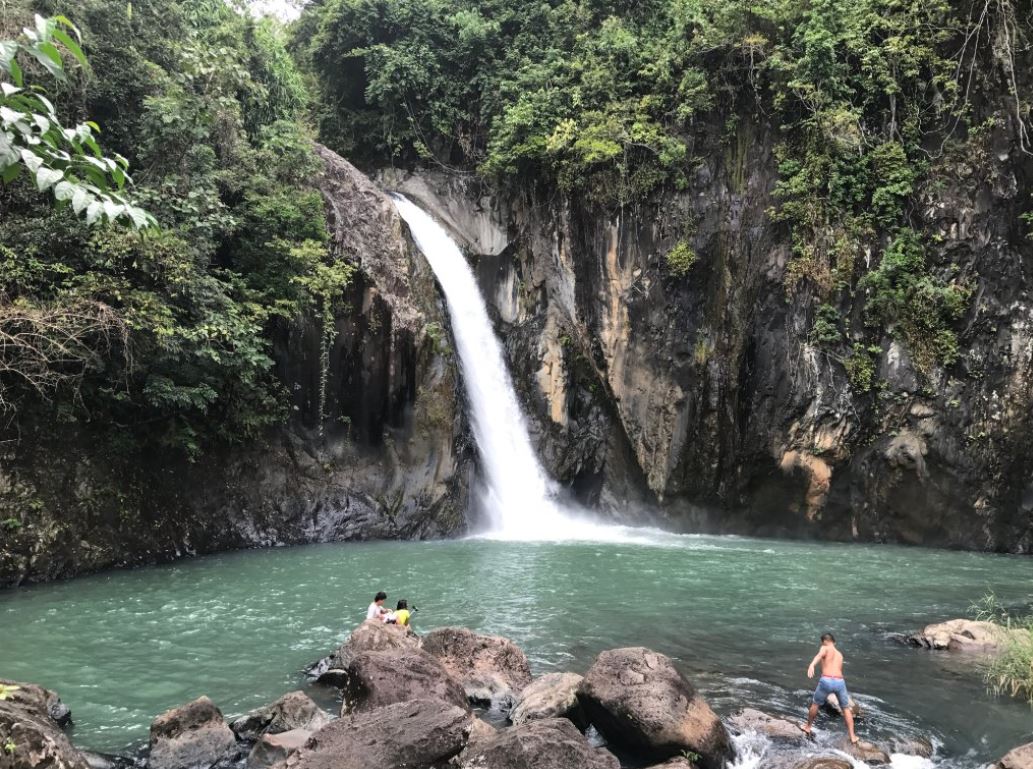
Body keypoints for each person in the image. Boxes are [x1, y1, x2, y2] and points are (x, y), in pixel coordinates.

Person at [801, 632, 859, 744]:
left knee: (815, 704)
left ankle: (808, 727)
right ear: (834, 642)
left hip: (826, 680)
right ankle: (852, 736)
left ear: (824, 641)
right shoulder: (840, 655)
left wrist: (812, 664)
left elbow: (819, 655)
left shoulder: (825, 647)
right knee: (846, 708)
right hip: (839, 682)